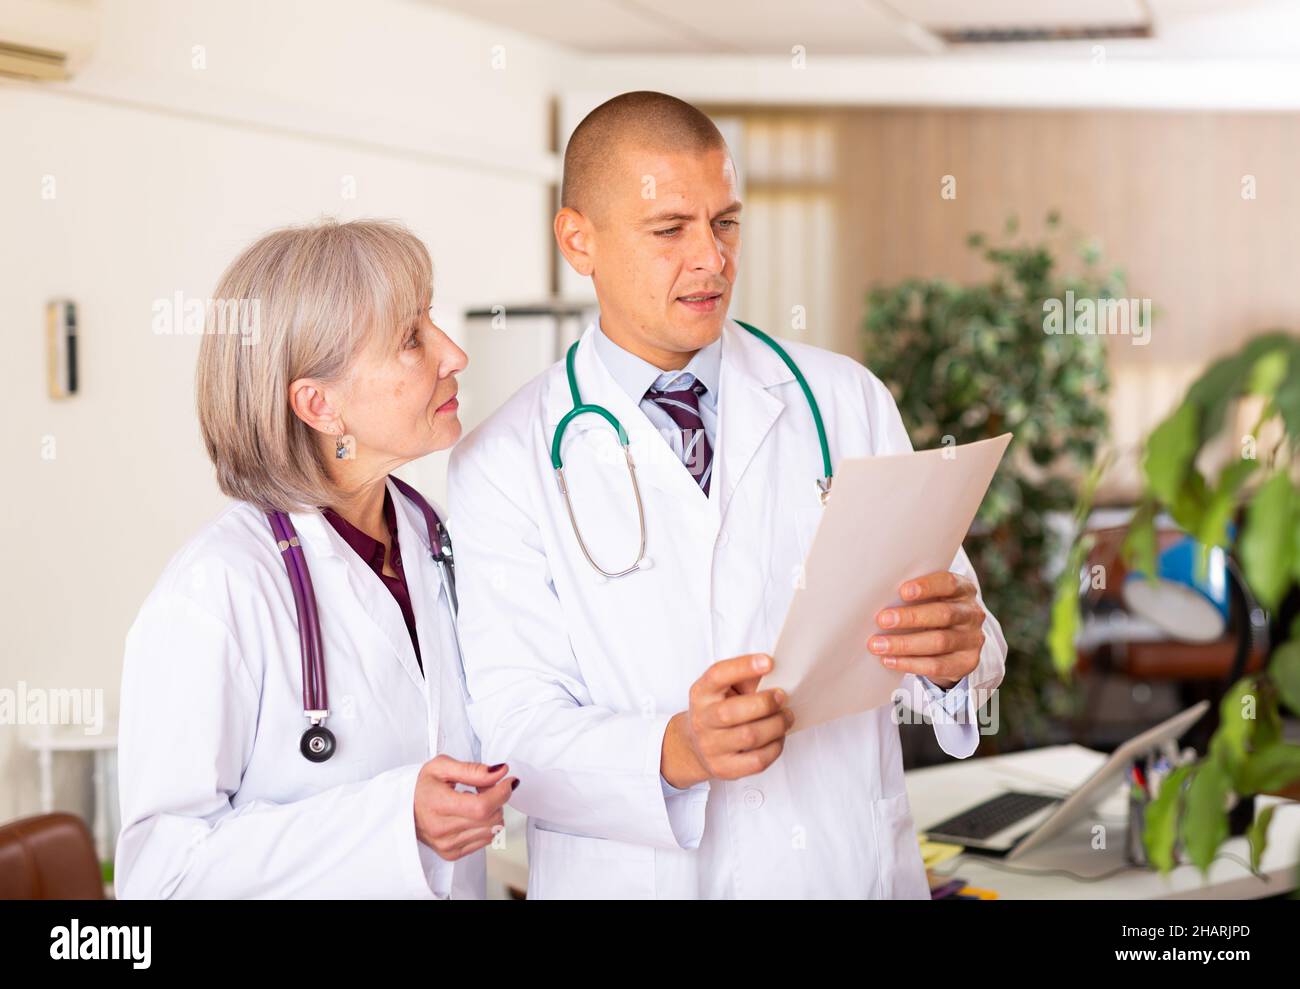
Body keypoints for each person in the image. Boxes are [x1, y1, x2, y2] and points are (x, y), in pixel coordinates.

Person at [446, 92, 1007, 899]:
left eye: (726, 222)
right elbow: (510, 734)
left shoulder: (842, 400)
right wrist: (678, 748)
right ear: (579, 240)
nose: (710, 258)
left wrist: (958, 655)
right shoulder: (502, 461)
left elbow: (962, 635)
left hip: (841, 873)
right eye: (670, 229)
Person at [116, 219, 515, 898]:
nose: (453, 354)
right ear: (319, 405)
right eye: (411, 339)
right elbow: (162, 877)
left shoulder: (435, 540)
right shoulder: (216, 591)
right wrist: (392, 821)